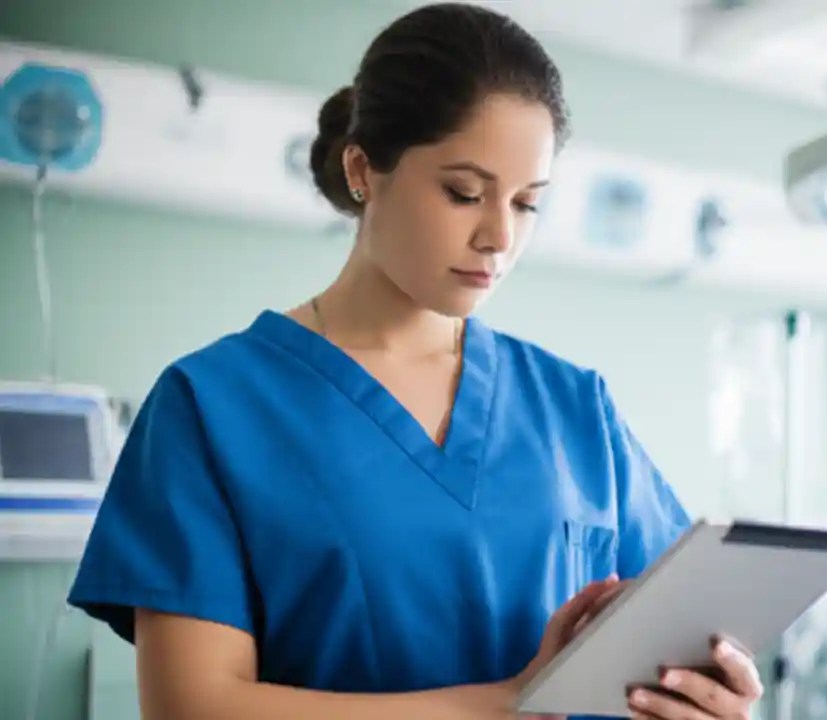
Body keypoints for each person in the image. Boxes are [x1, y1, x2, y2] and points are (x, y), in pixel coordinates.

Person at [66, 4, 762, 719]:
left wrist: (705, 698)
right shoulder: (212, 407)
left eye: (527, 204)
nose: (499, 236)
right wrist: (504, 705)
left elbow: (679, 641)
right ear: (363, 170)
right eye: (464, 193)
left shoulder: (575, 407)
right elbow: (192, 706)